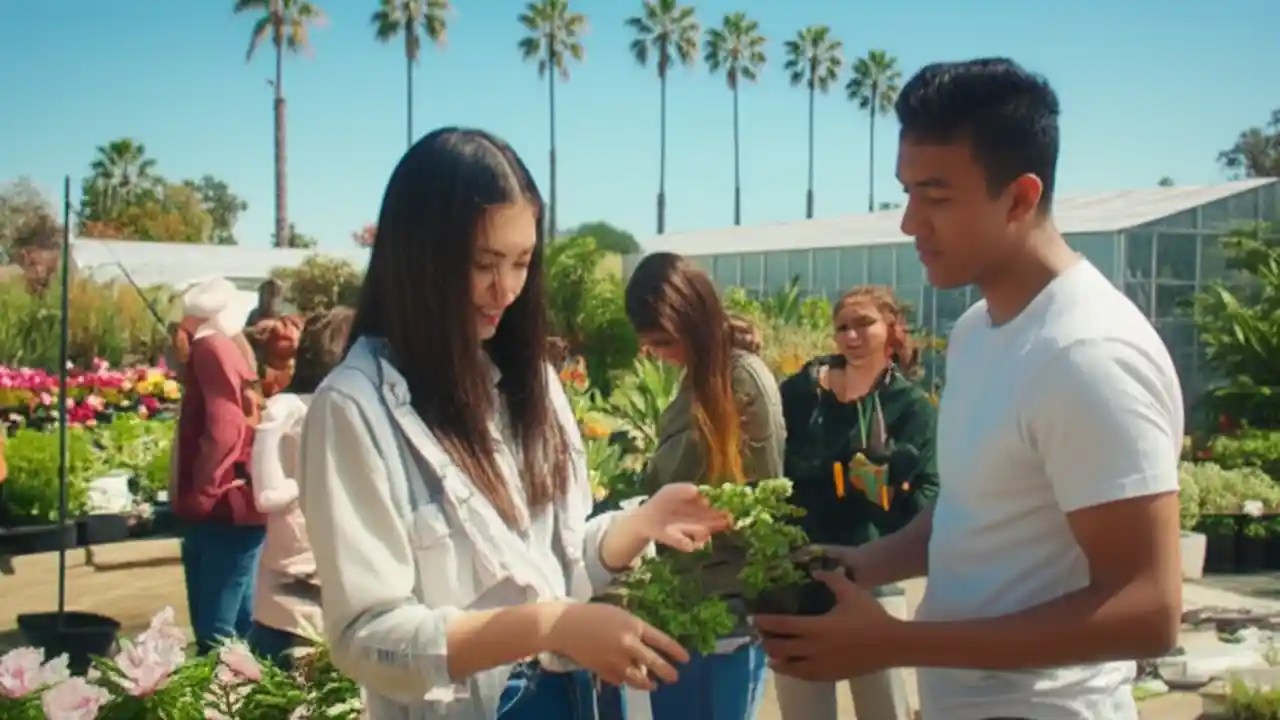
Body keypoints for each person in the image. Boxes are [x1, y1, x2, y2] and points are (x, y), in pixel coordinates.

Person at [754, 57, 1183, 720]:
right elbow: (972, 512)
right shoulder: (982, 329)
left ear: (1019, 197)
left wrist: (894, 643)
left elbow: (1148, 609)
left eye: (937, 196)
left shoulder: (1088, 354)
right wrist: (861, 563)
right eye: (907, 192)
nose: (908, 222)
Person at [300, 128, 732, 720]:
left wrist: (639, 524)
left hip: (571, 697)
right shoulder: (354, 408)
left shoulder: (530, 383)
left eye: (522, 262)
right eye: (483, 264)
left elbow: (559, 560)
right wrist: (548, 625)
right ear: (419, 258)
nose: (504, 290)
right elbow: (367, 637)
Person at [600, 251, 785, 720]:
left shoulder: (742, 381)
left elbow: (763, 511)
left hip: (726, 618)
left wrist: (700, 516)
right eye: (651, 344)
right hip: (676, 609)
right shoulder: (692, 384)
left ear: (694, 321)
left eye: (666, 341)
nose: (660, 354)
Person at [774, 285, 939, 720]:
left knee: (885, 710)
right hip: (799, 579)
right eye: (842, 327)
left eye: (863, 323)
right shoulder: (800, 395)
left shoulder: (911, 407)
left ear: (891, 329)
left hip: (874, 580)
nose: (851, 335)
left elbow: (930, 501)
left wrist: (886, 489)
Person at [248, 306, 354, 670]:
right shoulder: (295, 410)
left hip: (320, 590)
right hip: (297, 590)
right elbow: (266, 494)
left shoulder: (333, 411)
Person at [172, 277, 268, 655]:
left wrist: (204, 489)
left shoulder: (210, 349)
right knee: (242, 620)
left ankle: (223, 706)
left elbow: (224, 428)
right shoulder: (229, 349)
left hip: (223, 509)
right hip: (239, 506)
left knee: (216, 630)